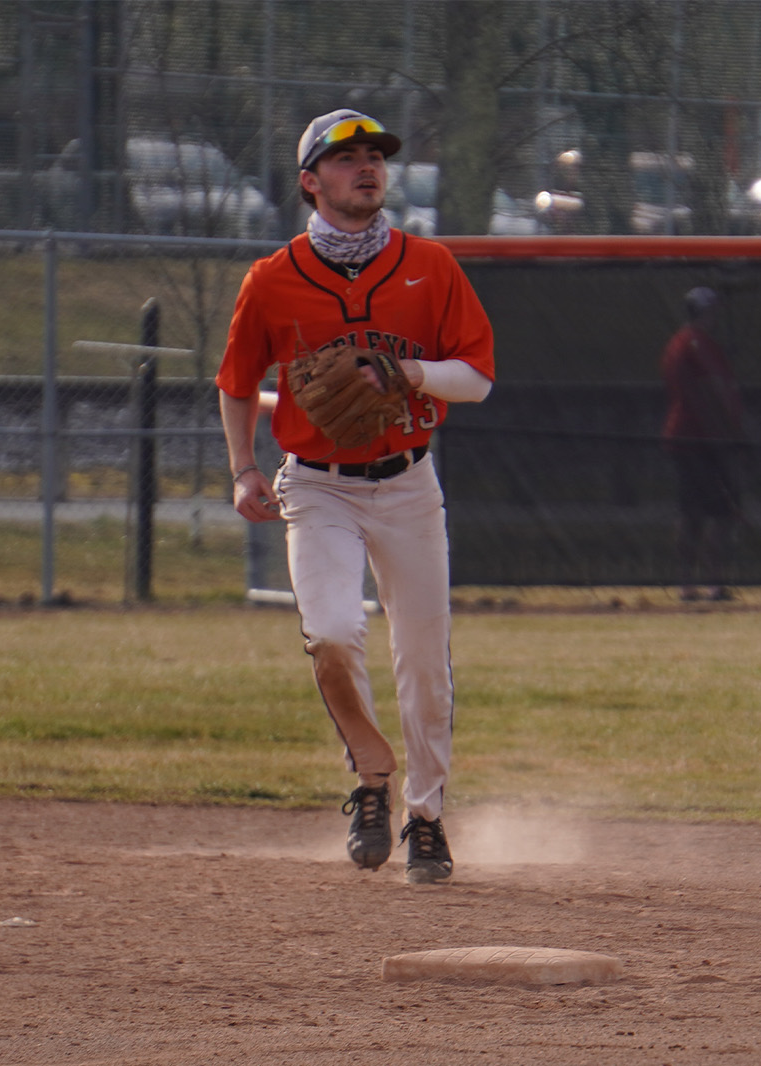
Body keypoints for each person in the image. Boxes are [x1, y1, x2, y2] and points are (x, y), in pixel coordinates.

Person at [216, 109, 496, 884]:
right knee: (334, 633)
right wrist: (244, 469)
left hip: (408, 484)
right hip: (316, 486)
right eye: (345, 159)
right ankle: (373, 780)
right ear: (311, 182)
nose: (365, 167)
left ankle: (427, 817)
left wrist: (410, 374)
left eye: (374, 156)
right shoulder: (272, 281)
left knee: (424, 665)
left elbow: (474, 378)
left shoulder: (430, 265)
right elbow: (236, 383)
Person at [660, 286, 743, 602]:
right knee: (712, 513)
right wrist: (727, 430)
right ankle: (709, 582)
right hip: (699, 439)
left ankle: (694, 582)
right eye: (714, 309)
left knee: (698, 512)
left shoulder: (688, 342)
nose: (718, 314)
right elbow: (715, 392)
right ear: (705, 311)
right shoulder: (695, 343)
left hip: (698, 438)